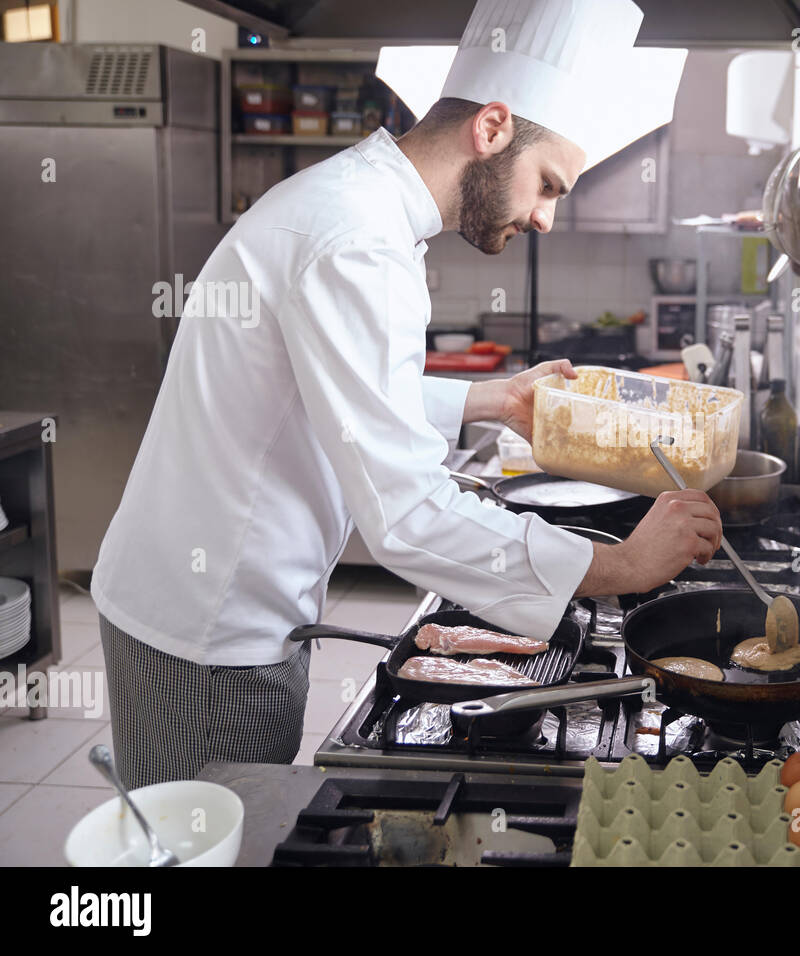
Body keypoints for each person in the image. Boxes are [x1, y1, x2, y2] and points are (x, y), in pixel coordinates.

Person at [91, 0, 716, 789]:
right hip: (206, 630)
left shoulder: (354, 206)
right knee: (203, 847)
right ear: (491, 129)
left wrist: (489, 401)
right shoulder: (358, 243)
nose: (548, 217)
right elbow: (407, 516)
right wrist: (621, 564)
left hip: (212, 606)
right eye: (548, 184)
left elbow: (333, 392)